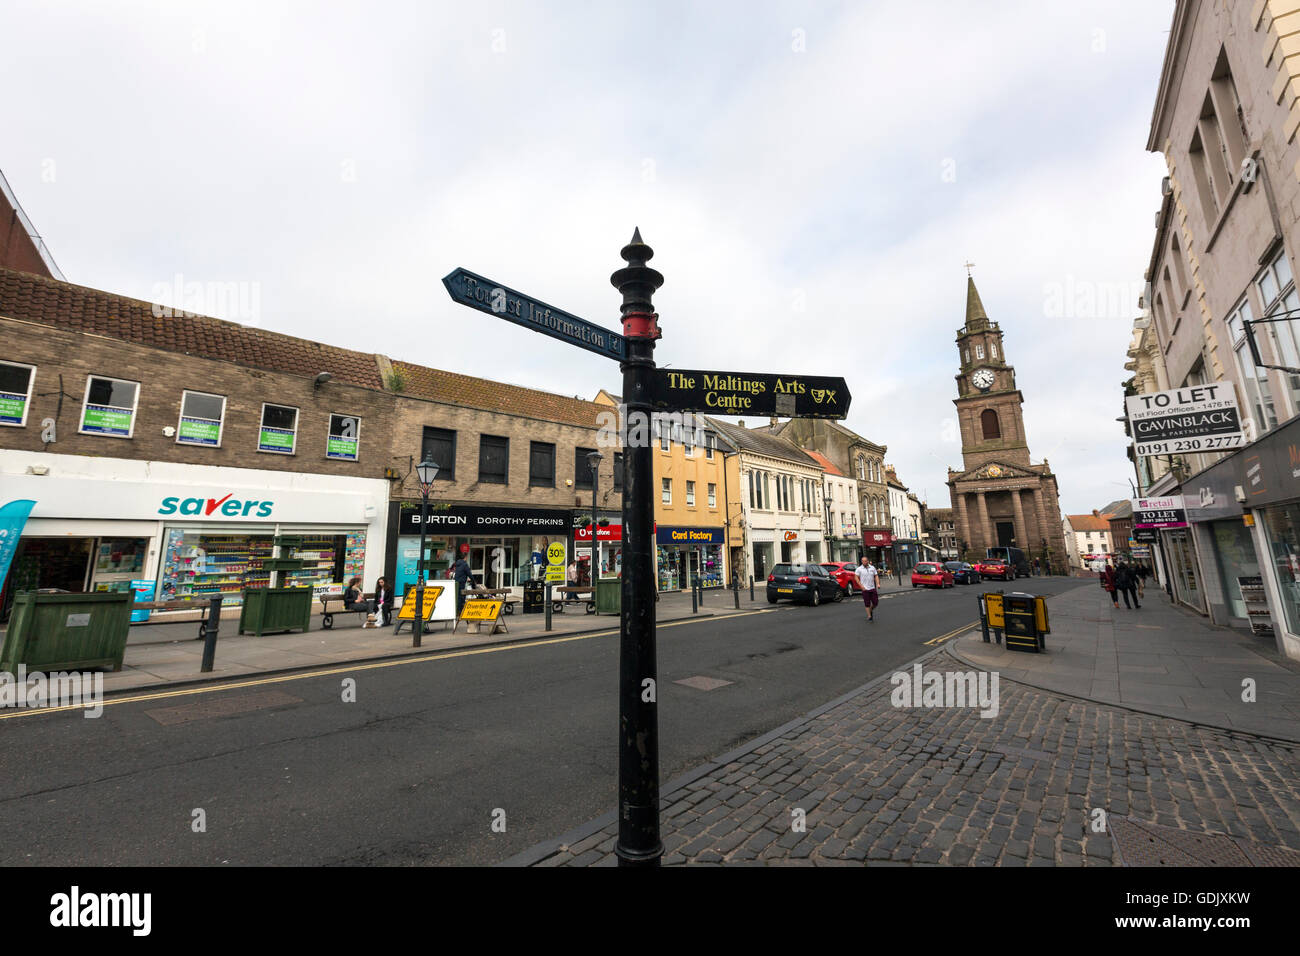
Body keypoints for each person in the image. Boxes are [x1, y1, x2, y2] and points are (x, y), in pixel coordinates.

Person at [855, 555, 880, 624]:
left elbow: (876, 576)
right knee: (867, 603)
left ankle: (871, 609)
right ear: (861, 561)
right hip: (865, 589)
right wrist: (861, 586)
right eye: (863, 561)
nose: (864, 562)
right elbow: (856, 577)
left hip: (872, 588)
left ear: (868, 561)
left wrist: (878, 583)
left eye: (865, 561)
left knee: (875, 602)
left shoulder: (872, 568)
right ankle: (869, 616)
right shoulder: (859, 569)